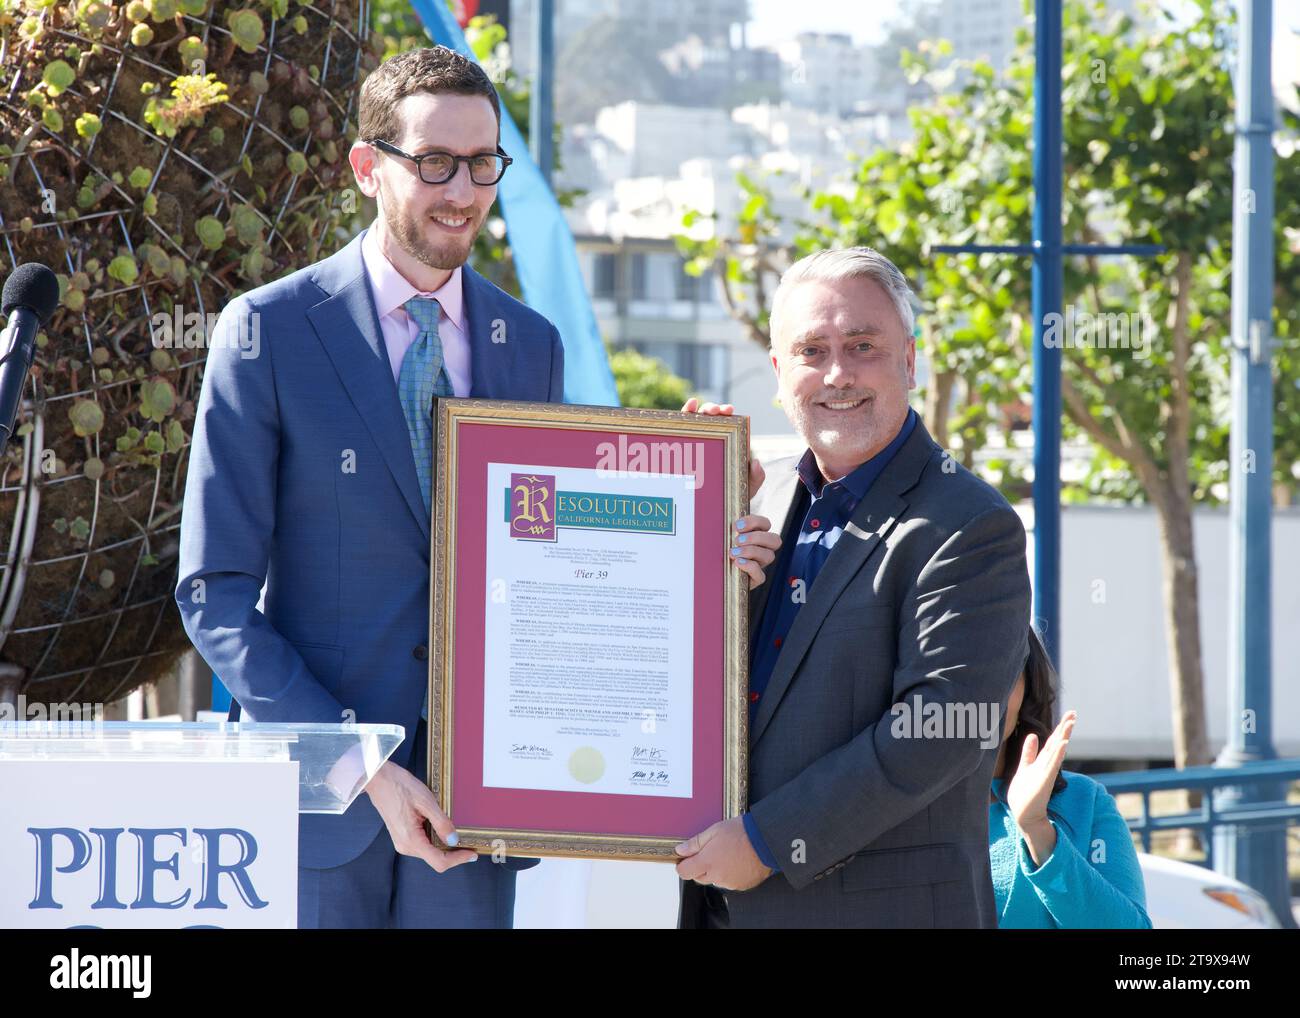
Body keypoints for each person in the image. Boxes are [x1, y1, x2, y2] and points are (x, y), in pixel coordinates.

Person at [675, 246, 1032, 928]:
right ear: (780, 374)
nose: (837, 373)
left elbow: (939, 728)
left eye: (862, 345)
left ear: (909, 359)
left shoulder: (968, 523)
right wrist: (687, 519)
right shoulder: (755, 495)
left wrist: (766, 843)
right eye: (812, 351)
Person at [990, 628, 1152, 928]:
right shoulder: (900, 807)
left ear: (1027, 689)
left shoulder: (1084, 801)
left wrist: (1037, 829)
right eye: (961, 675)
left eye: (1001, 671)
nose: (983, 693)